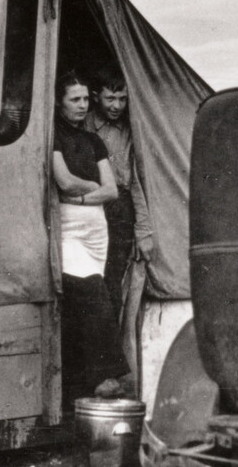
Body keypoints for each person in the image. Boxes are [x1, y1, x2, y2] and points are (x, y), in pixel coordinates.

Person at [52, 70, 129, 399]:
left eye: (85, 99)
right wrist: (93, 187)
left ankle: (78, 383)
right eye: (75, 99)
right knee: (92, 294)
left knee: (90, 298)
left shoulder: (94, 141)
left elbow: (111, 190)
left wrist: (85, 194)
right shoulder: (53, 137)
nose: (83, 105)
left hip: (97, 231)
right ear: (59, 102)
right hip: (69, 228)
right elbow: (63, 181)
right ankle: (105, 375)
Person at [83, 67, 156, 311]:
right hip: (89, 205)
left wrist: (143, 229)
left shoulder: (129, 129)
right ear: (95, 97)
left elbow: (134, 181)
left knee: (113, 279)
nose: (117, 105)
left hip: (120, 210)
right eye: (110, 98)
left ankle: (109, 343)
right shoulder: (84, 126)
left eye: (122, 99)